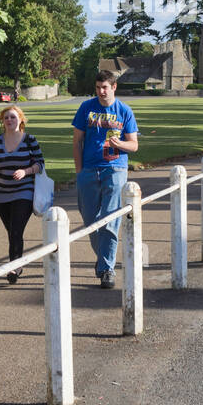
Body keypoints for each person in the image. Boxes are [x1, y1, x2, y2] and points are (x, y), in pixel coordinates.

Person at [72, 71, 139, 288]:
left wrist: (121, 145)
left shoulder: (124, 111)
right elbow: (77, 141)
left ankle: (106, 269)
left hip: (115, 169)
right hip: (89, 170)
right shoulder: (86, 108)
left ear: (114, 87)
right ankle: (103, 259)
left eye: (105, 87)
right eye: (98, 87)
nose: (101, 91)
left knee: (110, 220)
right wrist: (79, 170)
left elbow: (134, 145)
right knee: (91, 222)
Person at [0, 105, 45, 284]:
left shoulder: (29, 140)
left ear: (21, 119)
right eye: (6, 118)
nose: (9, 120)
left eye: (13, 117)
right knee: (12, 231)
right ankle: (18, 262)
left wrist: (26, 171)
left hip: (24, 191)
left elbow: (40, 164)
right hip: (2, 193)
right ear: (2, 121)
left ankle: (14, 267)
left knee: (16, 230)